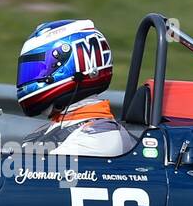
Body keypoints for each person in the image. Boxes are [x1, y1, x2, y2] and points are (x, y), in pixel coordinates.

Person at [16, 20, 134, 158]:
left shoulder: (100, 136)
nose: (30, 77)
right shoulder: (51, 129)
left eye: (38, 70)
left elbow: (32, 171)